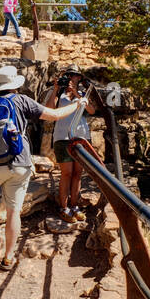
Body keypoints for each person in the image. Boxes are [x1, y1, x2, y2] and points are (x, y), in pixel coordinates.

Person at [0, 66, 82, 267]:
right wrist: (78, 104)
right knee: (13, 211)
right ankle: (8, 257)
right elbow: (54, 115)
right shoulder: (21, 101)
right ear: (15, 85)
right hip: (19, 164)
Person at [45, 72, 95, 231]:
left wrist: (75, 92)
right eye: (69, 75)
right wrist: (55, 89)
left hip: (81, 137)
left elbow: (91, 110)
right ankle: (64, 207)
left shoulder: (82, 94)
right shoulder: (59, 94)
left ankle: (75, 206)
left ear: (79, 78)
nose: (71, 78)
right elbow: (49, 110)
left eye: (74, 75)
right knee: (66, 173)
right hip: (62, 137)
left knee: (77, 173)